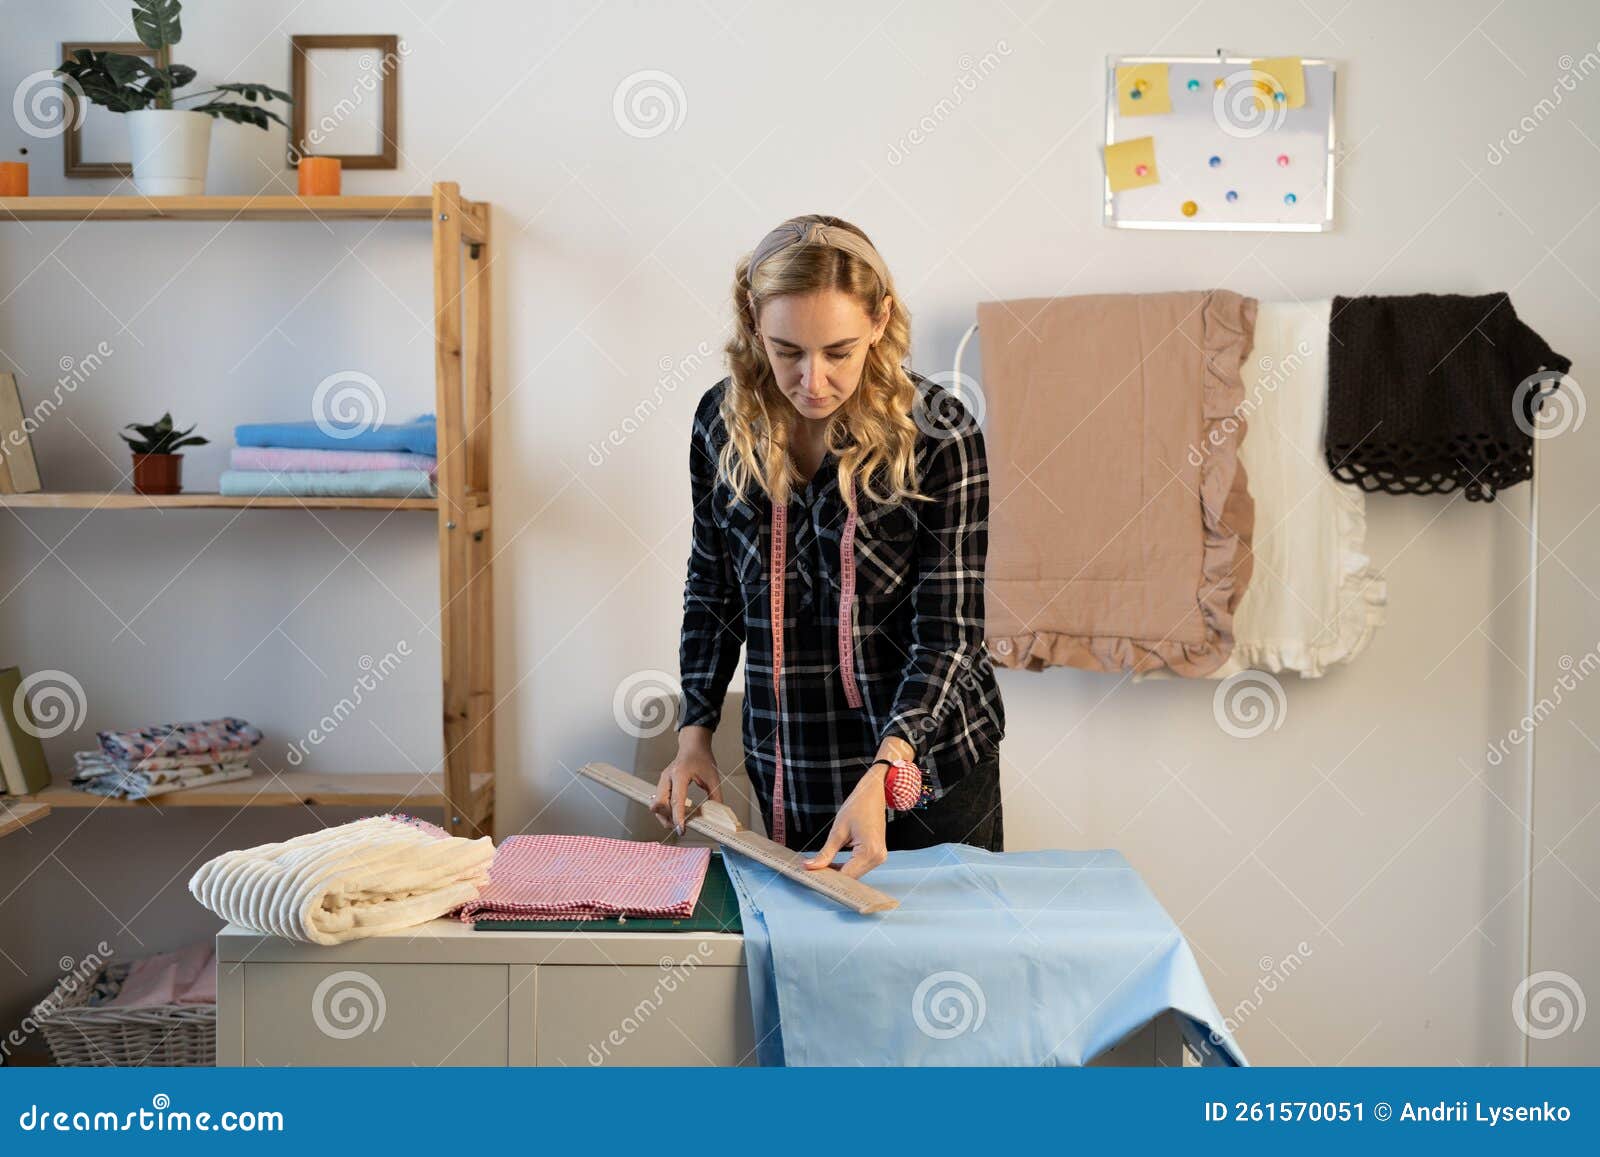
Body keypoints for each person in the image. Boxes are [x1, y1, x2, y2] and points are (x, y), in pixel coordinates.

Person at [656, 214, 1005, 880]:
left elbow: (949, 634)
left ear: (880, 321)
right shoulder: (720, 425)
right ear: (754, 322)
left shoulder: (940, 434)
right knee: (808, 961)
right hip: (793, 762)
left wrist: (888, 764)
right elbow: (713, 589)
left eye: (838, 351)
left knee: (942, 964)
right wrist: (694, 733)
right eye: (787, 350)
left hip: (927, 771)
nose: (812, 380)